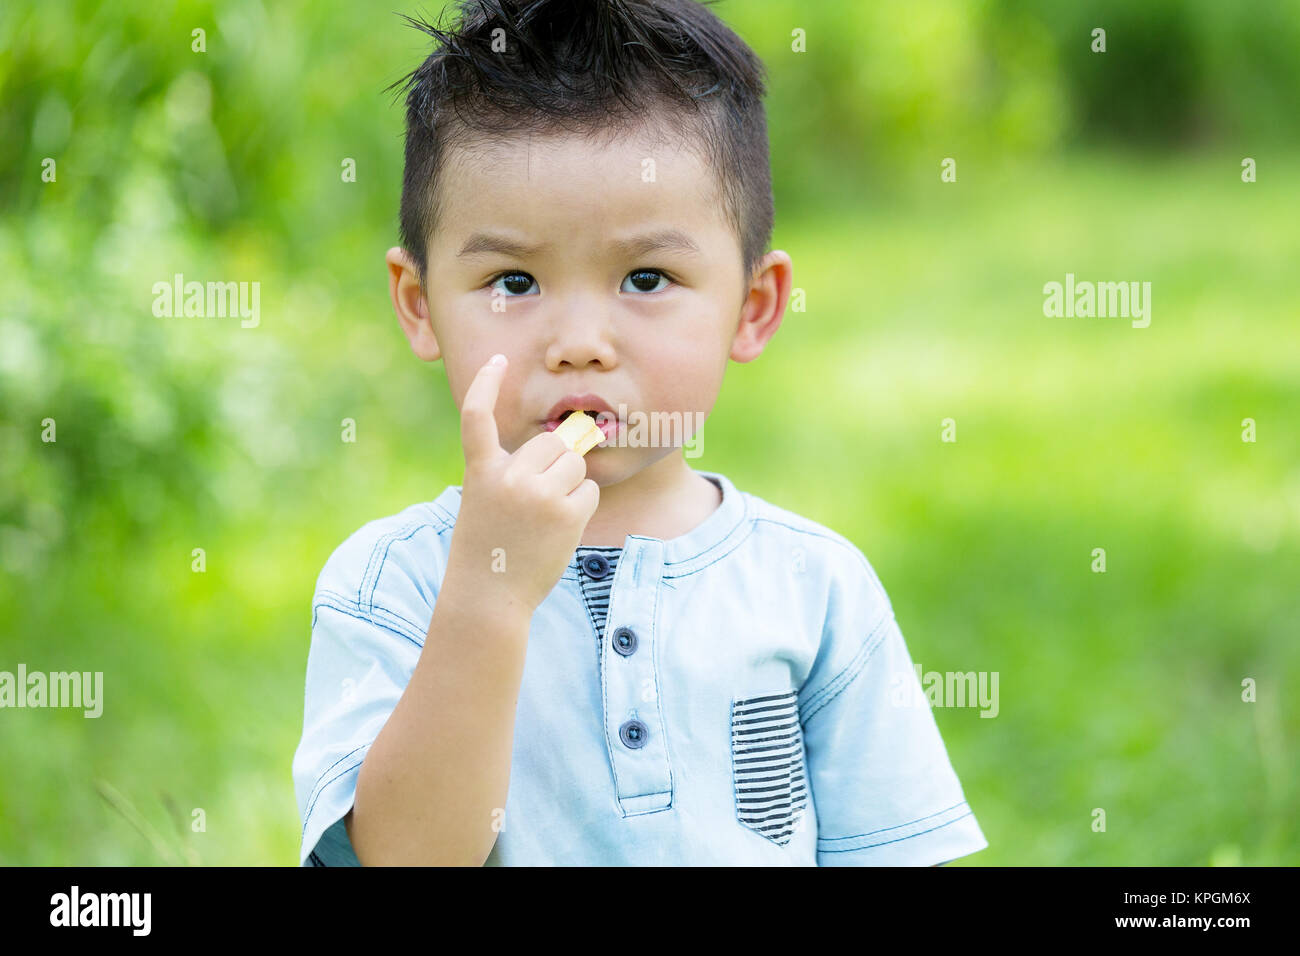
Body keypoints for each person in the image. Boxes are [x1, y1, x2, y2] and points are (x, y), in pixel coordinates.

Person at [293, 0, 988, 866]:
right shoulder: (388, 585)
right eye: (513, 280)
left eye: (647, 277)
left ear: (754, 305)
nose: (579, 343)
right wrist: (488, 594)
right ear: (419, 305)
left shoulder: (815, 588)